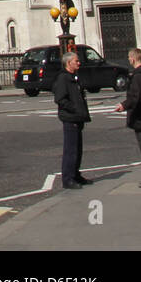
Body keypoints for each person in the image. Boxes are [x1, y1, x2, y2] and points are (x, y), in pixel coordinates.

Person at [52, 50, 92, 188]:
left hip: (78, 117)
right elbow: (60, 99)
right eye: (77, 61)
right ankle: (68, 178)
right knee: (71, 150)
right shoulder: (63, 78)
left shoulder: (74, 76)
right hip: (70, 118)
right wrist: (74, 108)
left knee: (78, 149)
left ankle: (75, 174)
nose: (79, 63)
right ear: (69, 63)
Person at [114, 47, 141, 186]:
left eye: (129, 57)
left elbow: (137, 96)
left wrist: (124, 105)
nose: (128, 59)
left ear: (133, 58)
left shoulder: (139, 76)